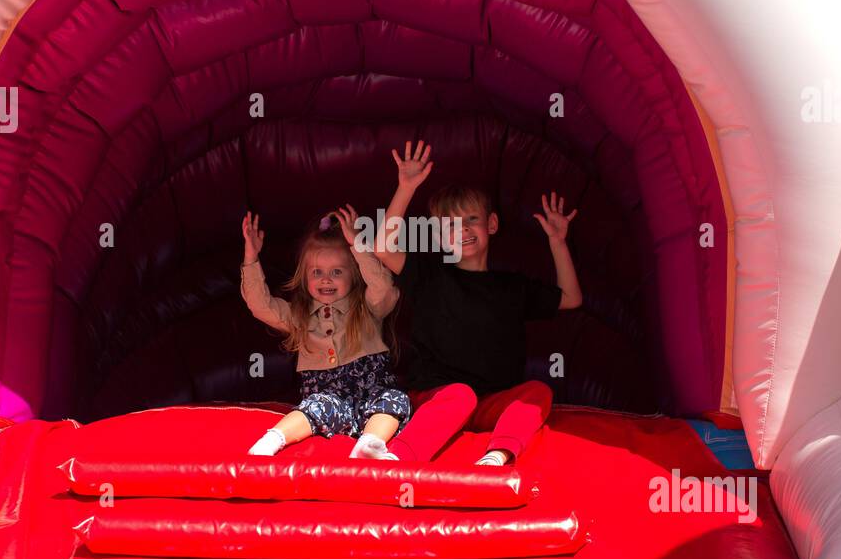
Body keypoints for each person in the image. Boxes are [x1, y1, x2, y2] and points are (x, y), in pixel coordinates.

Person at [368, 141, 583, 465]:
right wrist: (406, 187)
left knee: (538, 391)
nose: (463, 230)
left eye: (471, 219)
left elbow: (571, 299)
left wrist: (557, 243)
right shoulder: (430, 274)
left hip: (489, 403)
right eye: (451, 225)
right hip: (438, 398)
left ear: (491, 225)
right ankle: (400, 459)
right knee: (460, 395)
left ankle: (497, 456)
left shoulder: (511, 287)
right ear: (439, 236)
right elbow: (383, 249)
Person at [239, 206, 410, 460]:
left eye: (337, 272)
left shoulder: (367, 306)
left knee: (394, 402)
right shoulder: (299, 316)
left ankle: (370, 444)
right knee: (314, 408)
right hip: (328, 397)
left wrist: (357, 245)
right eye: (317, 272)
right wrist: (251, 258)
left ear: (354, 276)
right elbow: (260, 305)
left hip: (373, 390)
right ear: (305, 277)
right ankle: (273, 438)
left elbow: (382, 285)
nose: (326, 280)